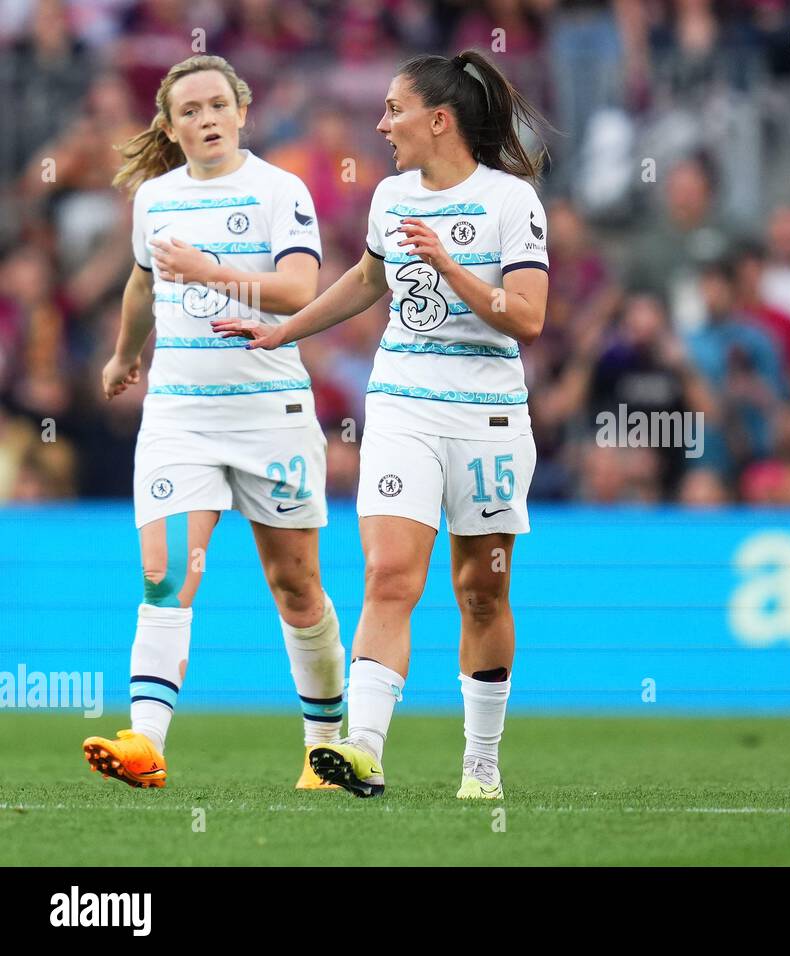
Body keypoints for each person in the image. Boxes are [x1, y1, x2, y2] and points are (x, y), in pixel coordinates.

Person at [214, 51, 549, 801]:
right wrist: (285, 328)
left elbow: (526, 317)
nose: (381, 122)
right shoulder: (391, 197)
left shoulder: (510, 201)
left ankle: (481, 763)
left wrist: (453, 269)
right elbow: (368, 280)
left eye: (394, 109)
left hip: (489, 416)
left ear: (440, 119)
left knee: (481, 592)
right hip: (401, 404)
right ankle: (360, 750)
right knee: (388, 576)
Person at [83, 55, 345, 791]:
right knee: (165, 573)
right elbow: (140, 281)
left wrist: (208, 271)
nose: (205, 119)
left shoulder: (278, 190)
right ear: (169, 126)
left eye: (216, 105)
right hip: (179, 417)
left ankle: (324, 749)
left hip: (272, 417)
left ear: (242, 111)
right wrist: (123, 355)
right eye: (188, 110)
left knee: (295, 586)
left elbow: (299, 289)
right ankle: (145, 744)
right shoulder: (155, 199)